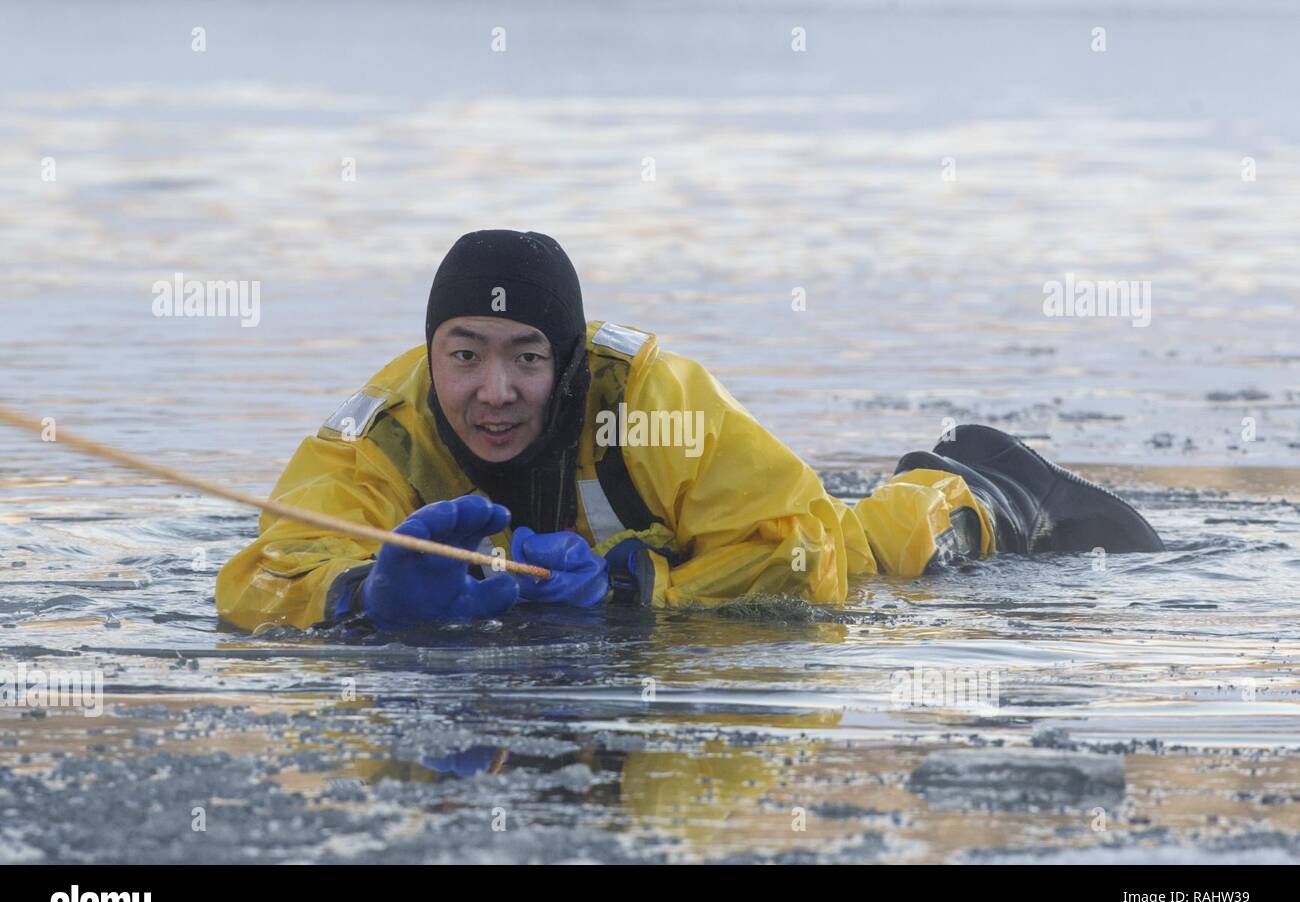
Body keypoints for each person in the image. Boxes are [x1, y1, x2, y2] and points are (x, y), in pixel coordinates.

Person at [216, 230, 1163, 633]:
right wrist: (357, 596)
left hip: (695, 546)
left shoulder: (653, 399)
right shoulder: (382, 429)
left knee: (858, 544)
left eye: (527, 357)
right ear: (432, 353)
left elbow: (796, 552)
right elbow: (270, 566)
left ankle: (986, 486)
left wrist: (633, 590)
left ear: (572, 360)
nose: (492, 390)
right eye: (464, 354)